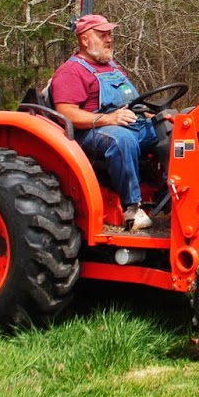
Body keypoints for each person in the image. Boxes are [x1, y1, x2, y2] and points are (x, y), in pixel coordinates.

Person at [51, 13, 158, 232]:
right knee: (123, 140)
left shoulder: (113, 67)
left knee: (174, 130)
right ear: (85, 39)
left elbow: (134, 105)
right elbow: (67, 112)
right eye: (102, 35)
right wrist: (108, 119)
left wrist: (156, 118)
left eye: (109, 34)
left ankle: (171, 197)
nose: (109, 39)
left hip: (128, 122)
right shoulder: (72, 71)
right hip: (91, 132)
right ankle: (132, 208)